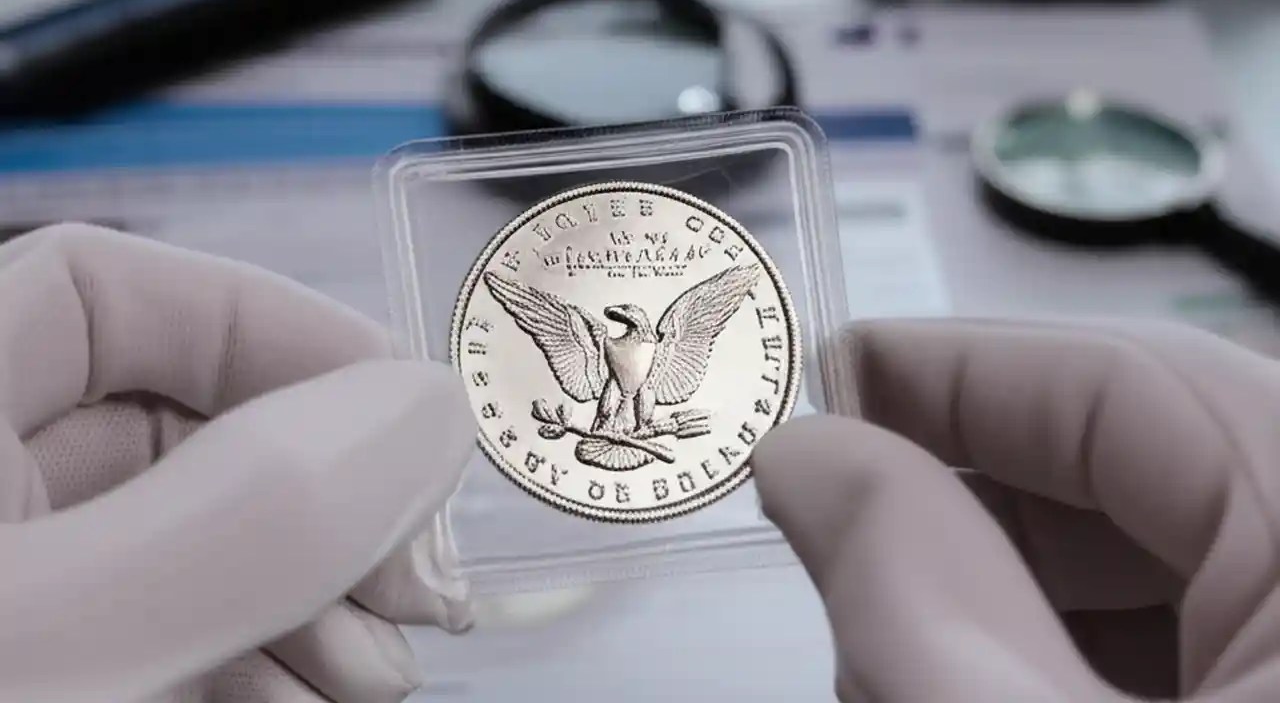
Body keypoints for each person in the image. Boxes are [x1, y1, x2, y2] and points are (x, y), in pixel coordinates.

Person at [1, 225, 1275, 701]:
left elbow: (693, 326)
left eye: (621, 323)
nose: (616, 330)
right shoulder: (579, 350)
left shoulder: (674, 350)